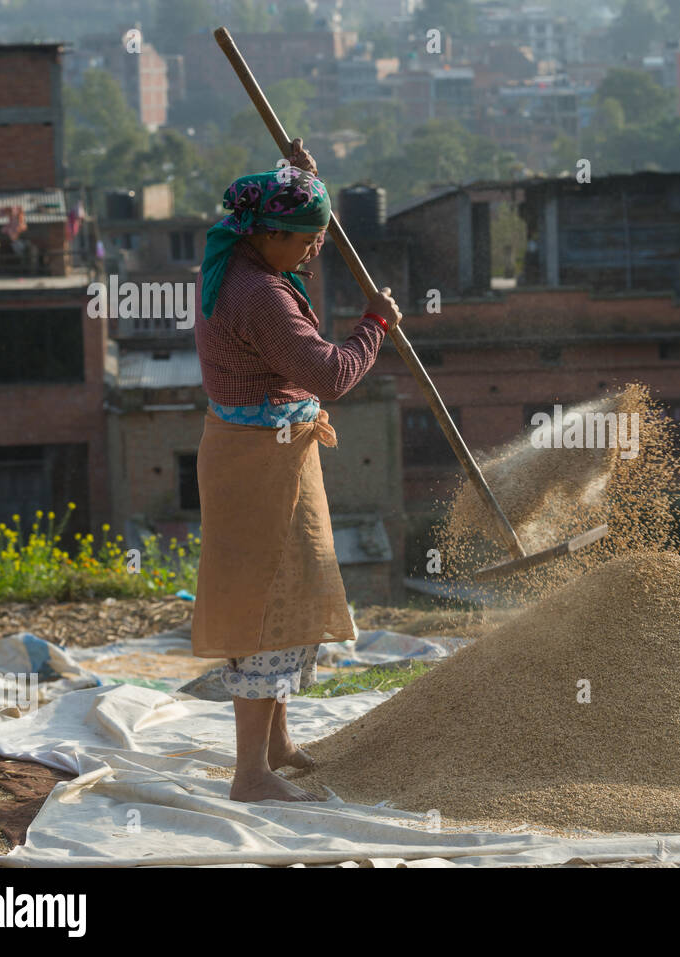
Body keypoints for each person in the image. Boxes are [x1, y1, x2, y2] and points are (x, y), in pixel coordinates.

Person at [191, 140, 403, 802]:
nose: (316, 249)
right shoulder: (260, 296)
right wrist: (376, 324)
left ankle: (277, 744)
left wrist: (302, 177)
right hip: (259, 467)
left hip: (268, 450)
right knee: (263, 611)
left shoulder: (241, 246)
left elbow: (291, 216)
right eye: (306, 238)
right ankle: (250, 773)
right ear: (270, 233)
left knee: (290, 601)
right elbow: (330, 374)